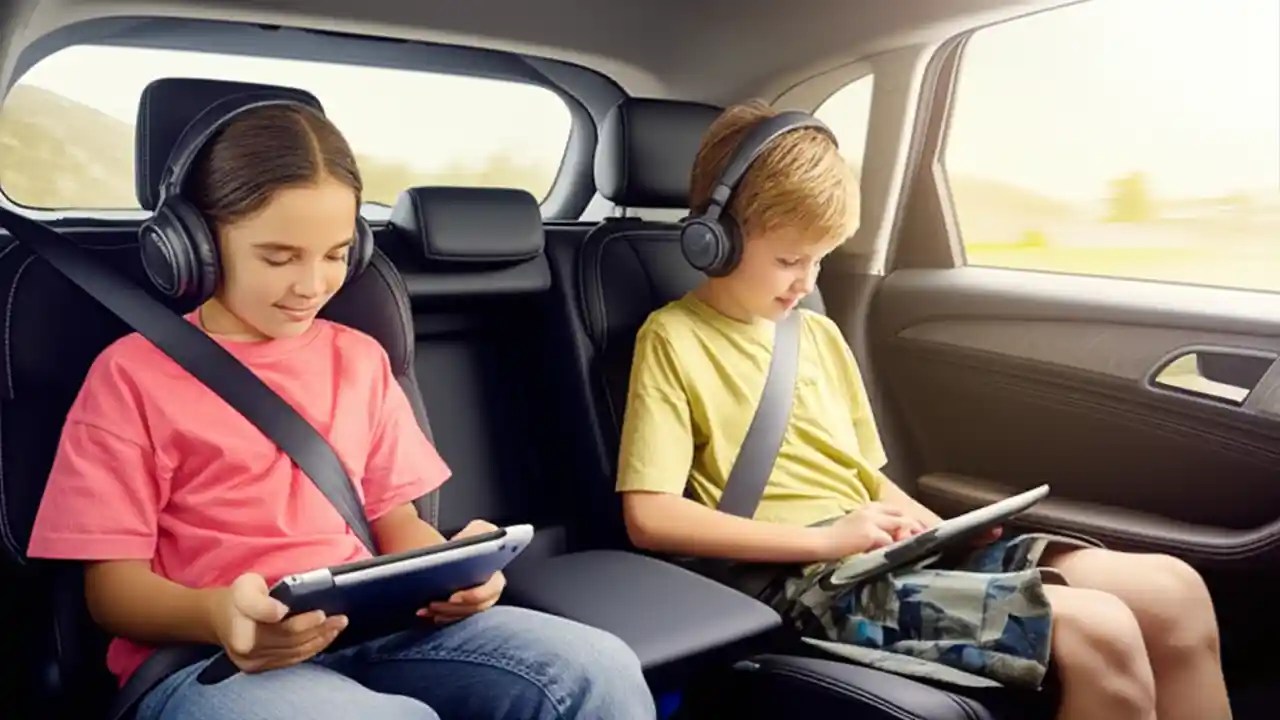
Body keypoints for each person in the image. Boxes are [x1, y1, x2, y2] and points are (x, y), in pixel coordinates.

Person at [26, 99, 655, 720]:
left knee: (597, 667)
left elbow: (396, 521)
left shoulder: (358, 359)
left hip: (368, 629)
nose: (312, 285)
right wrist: (221, 614)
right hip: (208, 658)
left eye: (334, 255)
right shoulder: (131, 376)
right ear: (196, 246)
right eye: (278, 257)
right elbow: (111, 592)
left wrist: (452, 575)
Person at [615, 100, 1231, 720]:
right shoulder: (673, 338)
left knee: (1172, 590)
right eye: (788, 260)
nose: (806, 281)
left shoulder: (817, 337)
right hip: (806, 581)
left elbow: (863, 474)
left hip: (881, 554)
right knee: (1100, 630)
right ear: (714, 241)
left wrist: (938, 527)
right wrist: (824, 537)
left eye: (820, 259)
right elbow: (652, 516)